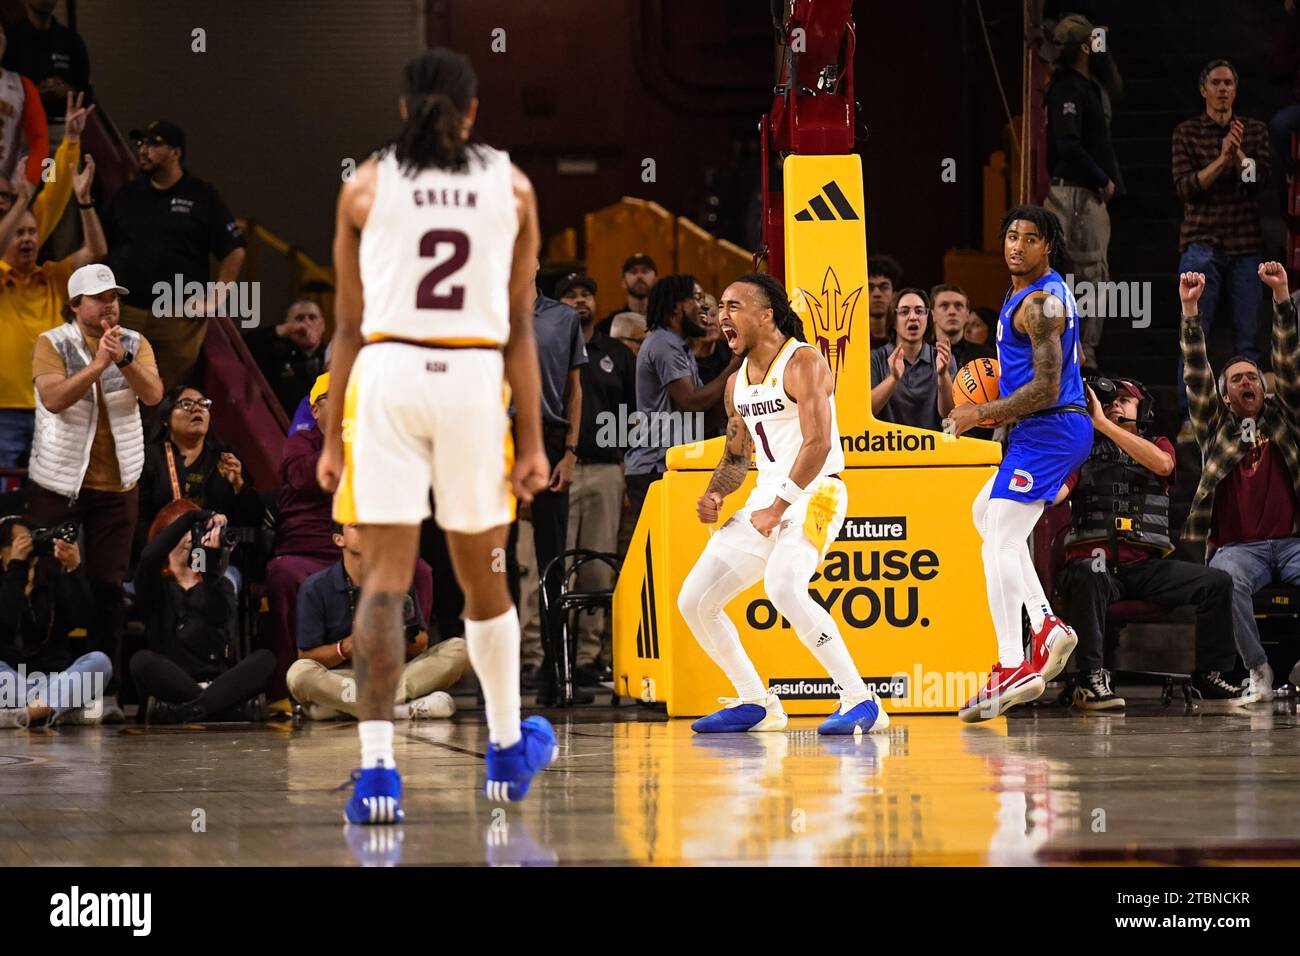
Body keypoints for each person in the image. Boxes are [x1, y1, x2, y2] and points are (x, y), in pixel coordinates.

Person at [317, 48, 555, 825]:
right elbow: (522, 328)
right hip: (471, 379)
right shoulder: (513, 186)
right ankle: (507, 747)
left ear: (401, 107)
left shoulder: (365, 185)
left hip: (385, 376)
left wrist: (329, 439)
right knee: (485, 579)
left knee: (383, 579)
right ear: (474, 110)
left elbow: (345, 332)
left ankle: (379, 773)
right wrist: (531, 443)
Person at [678, 273, 887, 735]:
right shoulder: (735, 384)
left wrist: (778, 507)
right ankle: (757, 702)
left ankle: (861, 699)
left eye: (733, 306)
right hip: (766, 496)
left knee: (784, 587)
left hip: (817, 491)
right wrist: (716, 492)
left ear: (766, 314)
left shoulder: (804, 362)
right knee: (694, 600)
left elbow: (816, 445)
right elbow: (736, 456)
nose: (721, 315)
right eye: (720, 306)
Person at [948, 204, 1093, 722]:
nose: (1016, 245)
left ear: (1047, 246)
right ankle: (1038, 635)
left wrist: (979, 412)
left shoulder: (1040, 305)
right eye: (1010, 235)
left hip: (1050, 429)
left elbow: (1049, 385)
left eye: (1029, 238)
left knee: (1001, 540)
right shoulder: (1030, 294)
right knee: (983, 514)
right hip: (1044, 430)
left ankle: (1019, 655)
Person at [1054, 378, 1253, 709]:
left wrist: (1104, 424)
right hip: (1095, 566)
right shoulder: (1082, 449)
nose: (1115, 405)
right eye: (1108, 401)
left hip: (1144, 568)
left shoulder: (1159, 444)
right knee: (1090, 572)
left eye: (1124, 400)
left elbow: (1163, 465)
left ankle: (1209, 674)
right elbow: (1058, 494)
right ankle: (1089, 678)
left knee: (1217, 583)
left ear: (1142, 409)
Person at [27, 264, 163, 717]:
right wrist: (98, 365)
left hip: (117, 482)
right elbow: (54, 398)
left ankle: (104, 690)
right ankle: (46, 682)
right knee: (52, 579)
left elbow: (154, 395)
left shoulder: (136, 343)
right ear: (76, 306)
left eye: (115, 296)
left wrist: (121, 359)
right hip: (60, 482)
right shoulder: (53, 343)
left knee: (108, 585)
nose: (110, 304)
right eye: (100, 297)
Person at [1178, 262, 1300, 702]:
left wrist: (1281, 298)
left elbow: (1287, 359)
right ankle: (1259, 670)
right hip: (1238, 549)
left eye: (1253, 376)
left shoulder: (1286, 417)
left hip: (1291, 543)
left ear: (1264, 389)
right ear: (1225, 394)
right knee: (1223, 580)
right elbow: (1195, 373)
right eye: (1236, 379)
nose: (1247, 382)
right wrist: (1190, 310)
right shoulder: (1215, 427)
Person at [104, 120, 247, 392]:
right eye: (141, 143)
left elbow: (234, 249)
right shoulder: (127, 195)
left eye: (154, 144)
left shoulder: (202, 195)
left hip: (176, 315)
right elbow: (101, 244)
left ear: (176, 152)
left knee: (165, 393)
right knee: (115, 390)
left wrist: (217, 296)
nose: (143, 150)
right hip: (127, 310)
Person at [1171, 60, 1270, 441]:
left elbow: (1259, 183)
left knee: (1249, 336)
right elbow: (1187, 188)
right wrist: (1221, 157)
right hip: (1202, 243)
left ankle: (1251, 418)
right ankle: (1189, 417)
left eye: (1229, 82)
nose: (1223, 89)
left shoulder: (1255, 131)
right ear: (1203, 89)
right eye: (1216, 82)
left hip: (1246, 244)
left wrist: (1240, 155)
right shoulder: (1187, 132)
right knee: (1195, 332)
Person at [288, 522, 466, 720]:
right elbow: (306, 655)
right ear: (339, 539)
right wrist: (346, 647)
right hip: (342, 678)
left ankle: (345, 708)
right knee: (298, 673)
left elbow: (420, 643)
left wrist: (401, 637)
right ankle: (400, 709)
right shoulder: (316, 587)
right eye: (357, 527)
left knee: (459, 649)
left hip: (393, 675)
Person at [0, 148, 102, 467]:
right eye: (19, 233)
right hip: (3, 413)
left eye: (32, 232)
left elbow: (97, 250)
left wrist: (84, 200)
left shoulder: (54, 276)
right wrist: (20, 202)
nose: (27, 238)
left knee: (48, 502)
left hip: (52, 409)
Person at [129, 500, 274, 724]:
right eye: (183, 530)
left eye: (195, 531)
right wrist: (191, 518)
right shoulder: (154, 585)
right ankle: (225, 710)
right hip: (175, 682)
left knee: (266, 658)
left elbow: (222, 619)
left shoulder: (216, 582)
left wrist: (211, 566)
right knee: (141, 660)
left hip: (218, 682)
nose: (190, 536)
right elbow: (149, 558)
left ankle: (190, 711)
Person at [558, 271, 635, 684]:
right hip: (559, 470)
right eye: (570, 295)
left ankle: (589, 657)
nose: (580, 300)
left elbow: (633, 416)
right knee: (554, 565)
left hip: (607, 469)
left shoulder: (616, 353)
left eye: (586, 292)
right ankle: (546, 656)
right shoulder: (548, 347)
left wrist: (625, 466)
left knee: (598, 570)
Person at [623, 274, 740, 523]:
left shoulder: (678, 345)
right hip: (654, 468)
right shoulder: (663, 343)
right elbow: (692, 402)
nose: (705, 306)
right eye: (697, 298)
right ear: (677, 307)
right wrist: (735, 365)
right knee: (659, 555)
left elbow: (702, 416)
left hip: (669, 464)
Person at [1044, 13, 1122, 370]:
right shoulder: (1066, 88)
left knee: (1092, 273)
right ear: (1086, 48)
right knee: (1087, 272)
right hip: (1075, 193)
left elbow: (1116, 90)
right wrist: (1102, 179)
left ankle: (1083, 351)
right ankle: (1081, 354)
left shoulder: (1090, 86)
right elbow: (1069, 144)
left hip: (1084, 193)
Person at [265, 372, 339, 699]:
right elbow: (305, 478)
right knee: (282, 575)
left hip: (357, 552)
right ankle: (287, 688)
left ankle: (394, 680)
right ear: (316, 410)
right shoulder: (299, 443)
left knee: (419, 570)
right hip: (305, 551)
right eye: (331, 400)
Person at [0, 514, 111, 728]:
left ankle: (27, 715)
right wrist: (16, 568)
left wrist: (74, 569)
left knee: (99, 661)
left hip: (54, 678)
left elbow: (84, 619)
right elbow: (6, 620)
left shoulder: (52, 581)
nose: (29, 546)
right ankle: (58, 710)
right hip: (8, 679)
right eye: (21, 541)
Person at [135, 385, 262, 560]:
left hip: (212, 557)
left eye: (203, 404)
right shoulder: (150, 458)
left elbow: (253, 519)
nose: (197, 408)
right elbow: (138, 517)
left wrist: (238, 485)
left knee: (207, 584)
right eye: (186, 404)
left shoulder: (225, 458)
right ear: (166, 418)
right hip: (161, 555)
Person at [0, 0, 92, 136]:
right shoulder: (11, 38)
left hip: (62, 128)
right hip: (20, 129)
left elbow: (86, 92)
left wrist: (68, 90)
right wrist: (33, 94)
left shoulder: (71, 41)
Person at [869, 288, 955, 431]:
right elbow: (868, 410)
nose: (913, 317)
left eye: (919, 311)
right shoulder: (876, 358)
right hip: (888, 447)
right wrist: (893, 378)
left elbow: (949, 416)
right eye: (904, 311)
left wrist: (942, 374)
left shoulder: (942, 357)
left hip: (932, 447)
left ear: (928, 318)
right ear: (894, 319)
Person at [247, 299, 328, 417]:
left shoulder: (333, 355)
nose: (306, 323)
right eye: (299, 318)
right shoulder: (276, 355)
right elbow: (245, 345)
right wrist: (283, 329)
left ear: (322, 324)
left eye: (312, 317)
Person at [0, 19, 47, 185]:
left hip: (7, 193)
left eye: (1, 31)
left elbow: (39, 140)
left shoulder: (22, 85)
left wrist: (29, 182)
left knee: (53, 178)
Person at [595, 253, 656, 336]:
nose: (639, 276)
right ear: (623, 282)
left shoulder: (667, 322)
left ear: (656, 280)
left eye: (645, 271)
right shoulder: (609, 325)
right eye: (633, 272)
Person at [866, 254, 902, 349]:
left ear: (894, 295)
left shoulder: (904, 338)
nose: (876, 294)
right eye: (870, 287)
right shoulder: (853, 340)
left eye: (884, 287)